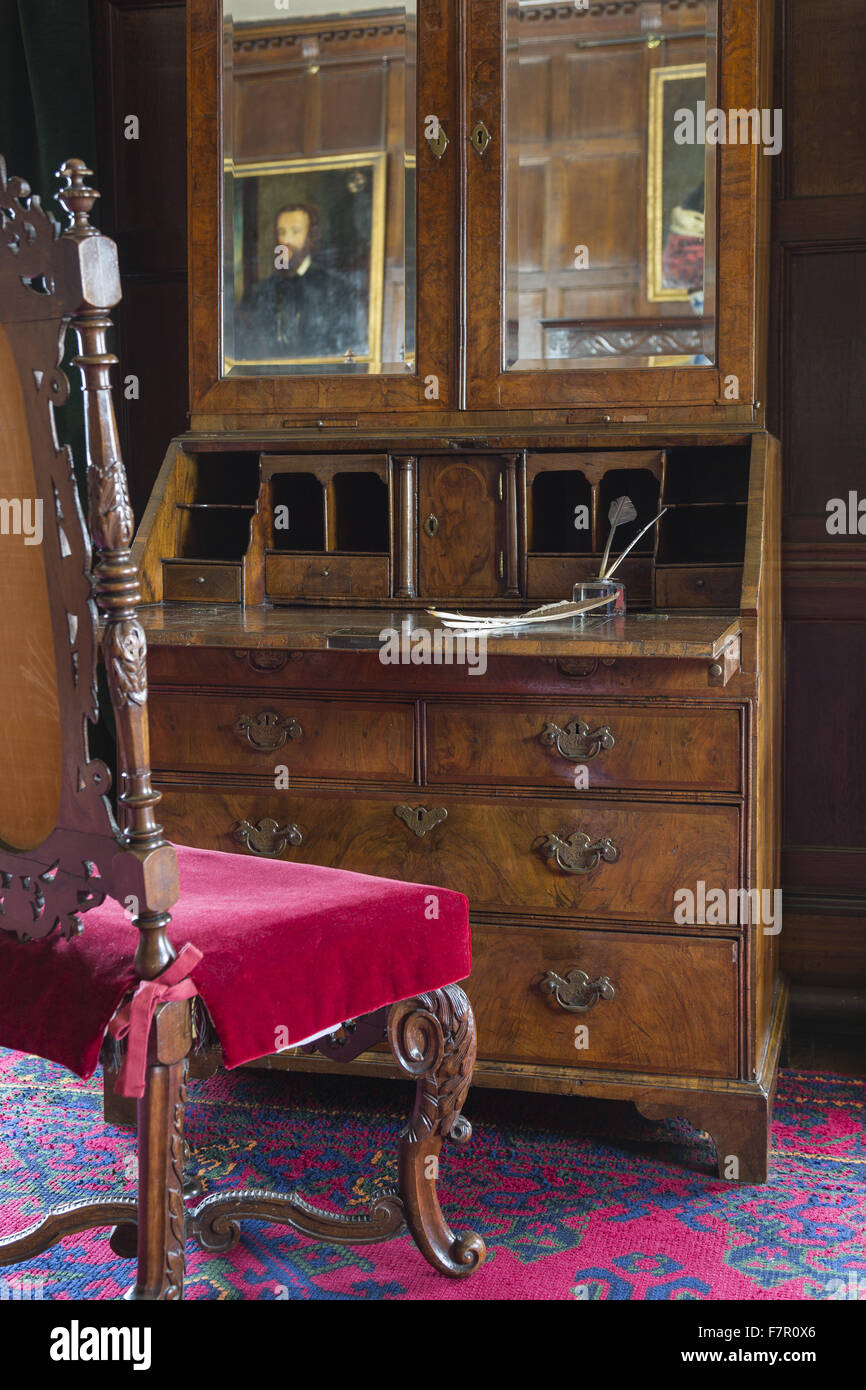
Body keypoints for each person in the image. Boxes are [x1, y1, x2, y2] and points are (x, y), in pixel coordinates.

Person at [236, 202, 363, 360]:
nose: (286, 240)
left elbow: (348, 347)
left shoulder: (337, 289)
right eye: (281, 232)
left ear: (311, 237)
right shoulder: (260, 291)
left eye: (295, 232)